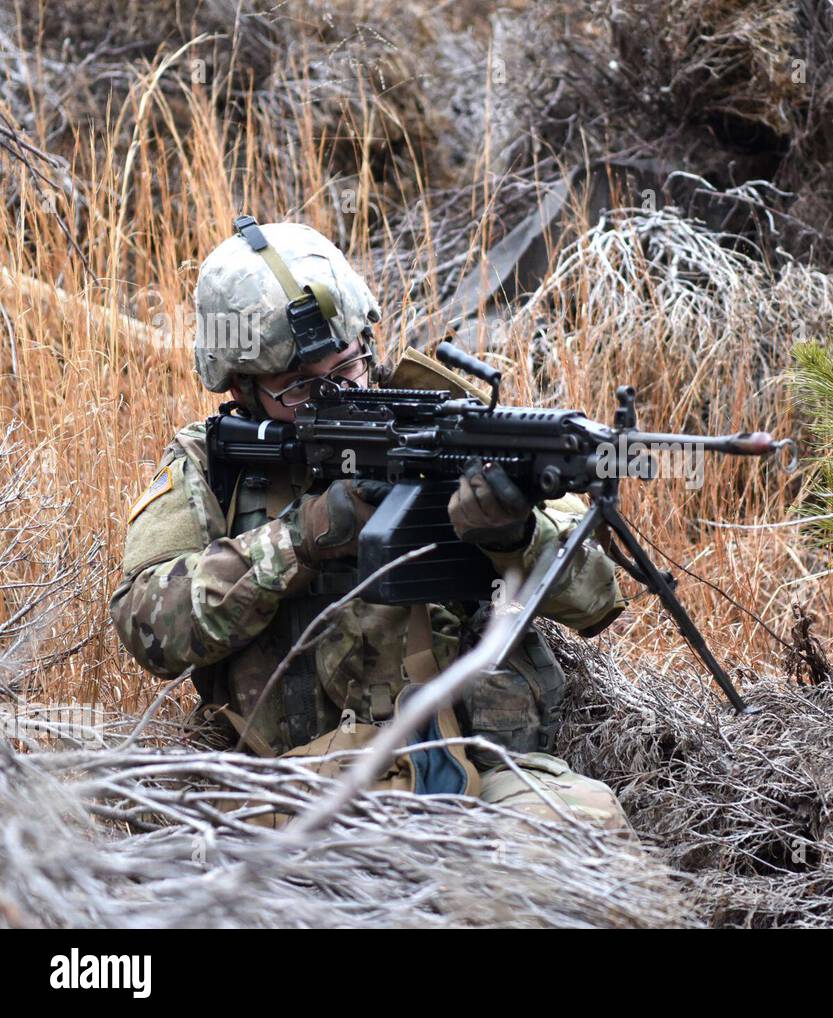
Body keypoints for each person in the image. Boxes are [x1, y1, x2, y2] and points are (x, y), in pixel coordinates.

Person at [110, 218, 631, 831]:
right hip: (294, 788)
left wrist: (511, 537)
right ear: (244, 391)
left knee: (581, 830)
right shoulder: (212, 464)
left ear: (368, 343)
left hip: (477, 773)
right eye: (299, 388)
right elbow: (149, 625)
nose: (335, 394)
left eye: (347, 367)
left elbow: (597, 598)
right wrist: (305, 535)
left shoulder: (455, 426)